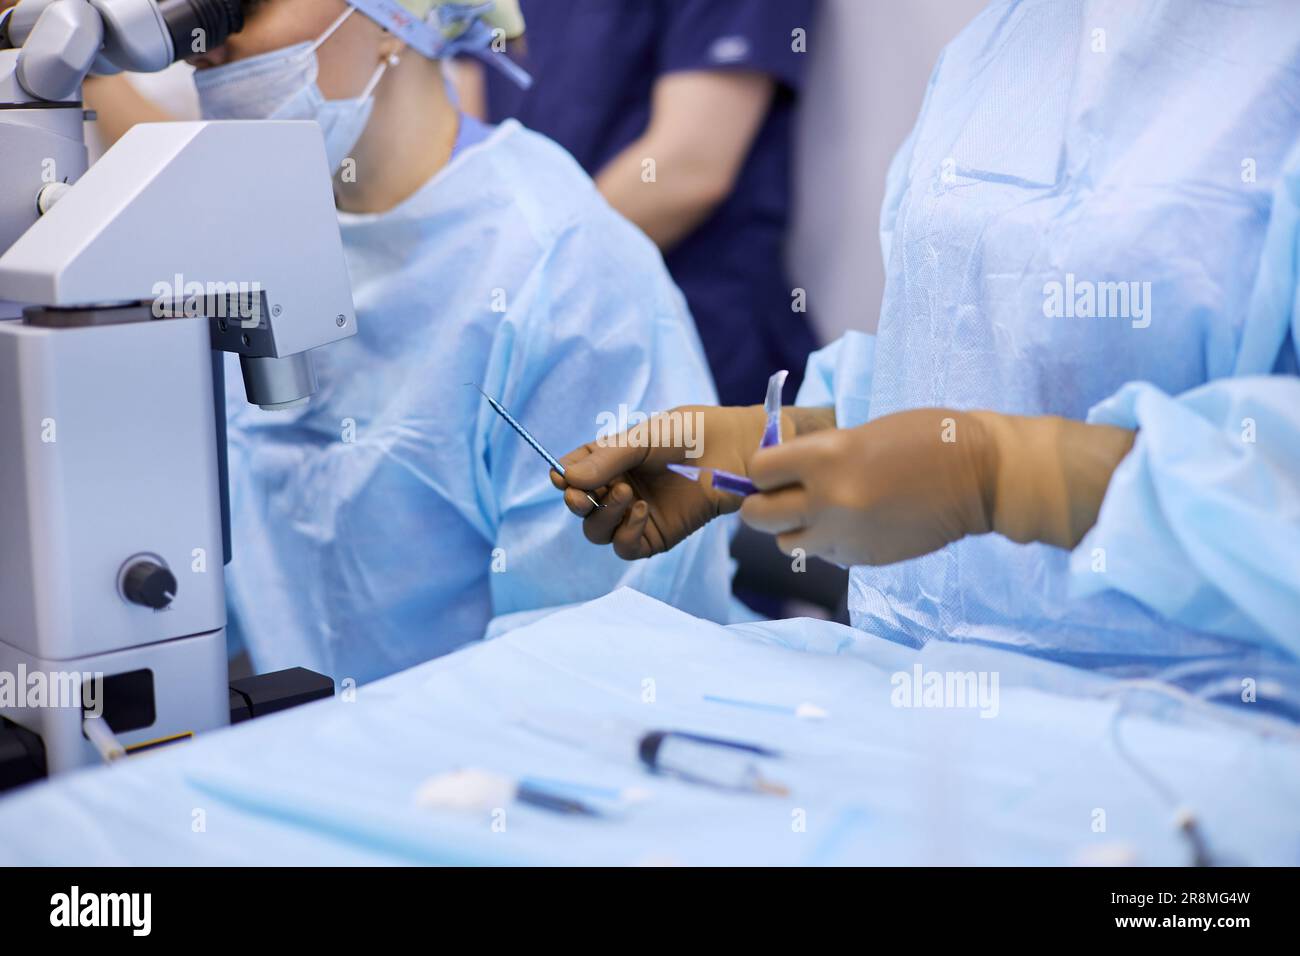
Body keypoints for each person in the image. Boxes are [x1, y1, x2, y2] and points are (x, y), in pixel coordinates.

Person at [553, 0, 1300, 715]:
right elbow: (960, 361)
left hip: (1209, 734)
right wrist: (773, 443)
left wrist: (1008, 475)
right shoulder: (1004, 43)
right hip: (912, 702)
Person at [194, 0, 734, 684]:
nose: (204, 41)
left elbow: (598, 665)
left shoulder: (558, 268)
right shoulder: (241, 238)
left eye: (246, 3)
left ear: (394, 16)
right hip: (310, 745)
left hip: (501, 764)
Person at [456, 0, 820, 407]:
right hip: (530, 344)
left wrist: (512, 279)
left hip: (698, 339)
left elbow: (688, 166)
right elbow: (466, 146)